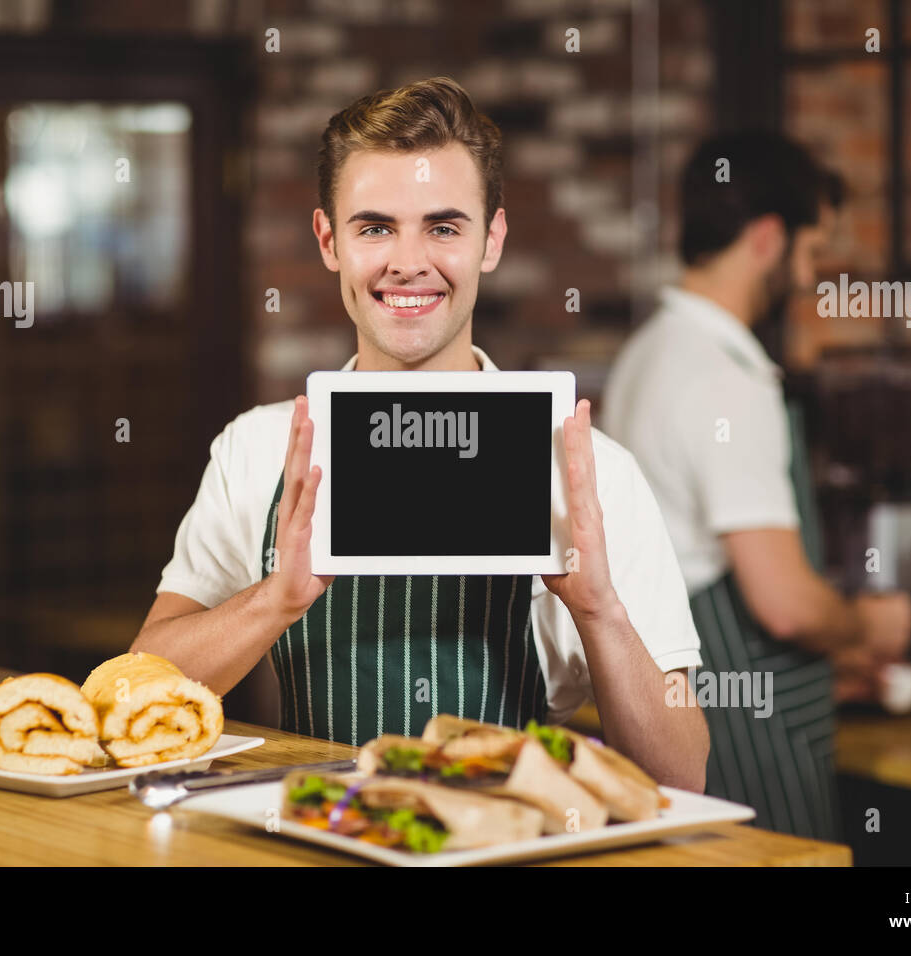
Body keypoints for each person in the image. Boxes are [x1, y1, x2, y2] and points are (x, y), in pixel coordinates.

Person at [131, 77, 709, 789]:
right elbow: (139, 692)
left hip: (510, 844)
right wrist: (273, 600)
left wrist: (599, 612)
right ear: (328, 240)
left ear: (491, 240)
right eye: (375, 227)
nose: (408, 262)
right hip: (318, 838)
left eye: (443, 226)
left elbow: (682, 776)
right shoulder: (256, 452)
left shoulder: (592, 471)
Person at [601, 130, 911, 839]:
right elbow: (783, 605)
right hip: (748, 743)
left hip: (683, 708)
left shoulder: (649, 352)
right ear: (770, 238)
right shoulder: (725, 378)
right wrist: (872, 625)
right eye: (811, 251)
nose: (809, 278)